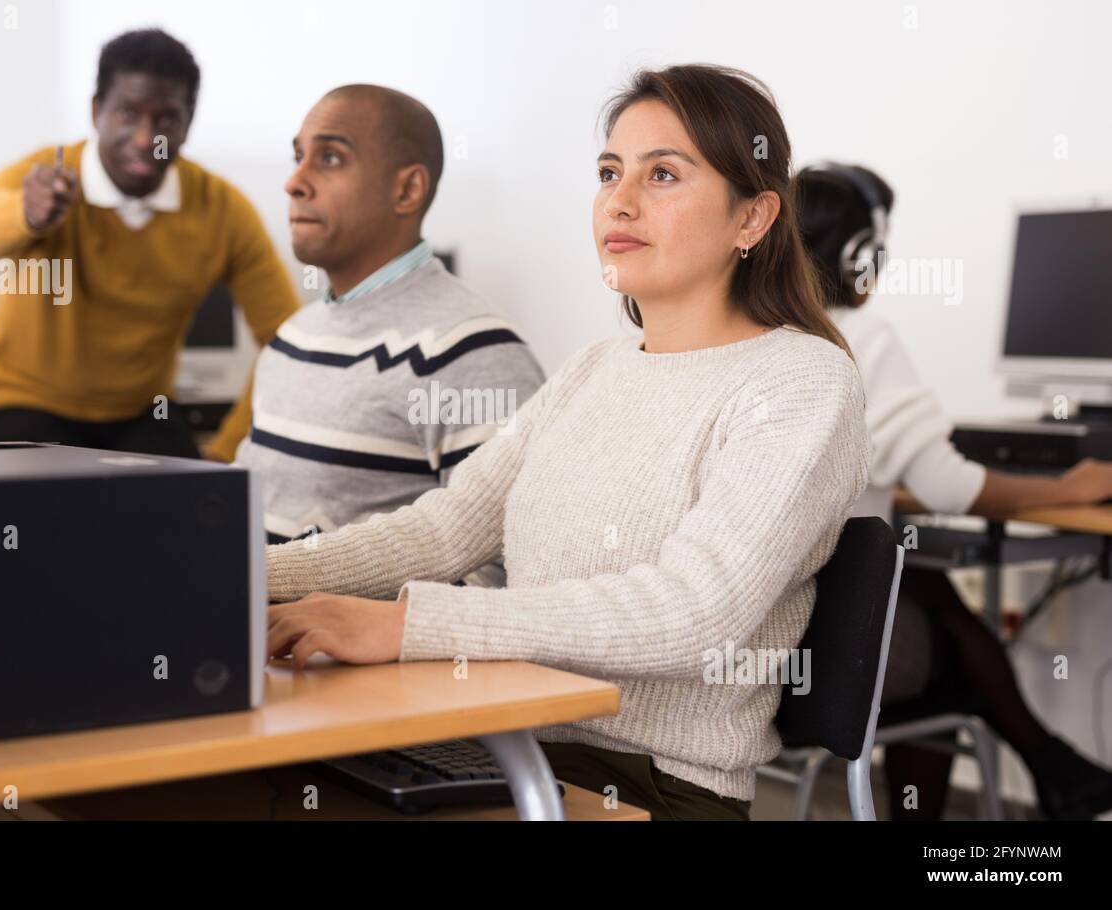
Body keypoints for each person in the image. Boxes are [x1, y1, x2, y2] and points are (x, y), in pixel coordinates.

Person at [263, 65, 869, 821]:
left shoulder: (803, 380)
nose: (620, 200)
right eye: (610, 172)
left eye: (663, 174)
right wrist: (247, 574)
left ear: (753, 217)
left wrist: (406, 625)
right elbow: (444, 529)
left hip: (655, 788)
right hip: (511, 746)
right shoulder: (593, 368)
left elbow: (694, 612)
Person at [797, 162, 1112, 820]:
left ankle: (1057, 771)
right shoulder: (859, 337)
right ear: (861, 255)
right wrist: (1070, 485)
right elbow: (950, 485)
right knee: (954, 660)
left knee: (921, 582)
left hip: (758, 642)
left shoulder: (751, 330)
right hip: (816, 654)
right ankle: (1052, 768)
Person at [0, 29, 299, 460]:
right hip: (24, 402)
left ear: (189, 122)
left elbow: (286, 339)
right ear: (96, 110)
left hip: (141, 413)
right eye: (126, 113)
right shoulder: (45, 173)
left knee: (200, 497)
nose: (144, 139)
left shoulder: (222, 208)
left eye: (166, 119)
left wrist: (228, 451)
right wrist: (28, 214)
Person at [235, 85, 544, 565]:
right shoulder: (291, 338)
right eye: (298, 157)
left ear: (407, 190)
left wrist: (306, 602)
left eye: (330, 158)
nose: (294, 182)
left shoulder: (476, 354)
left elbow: (503, 573)